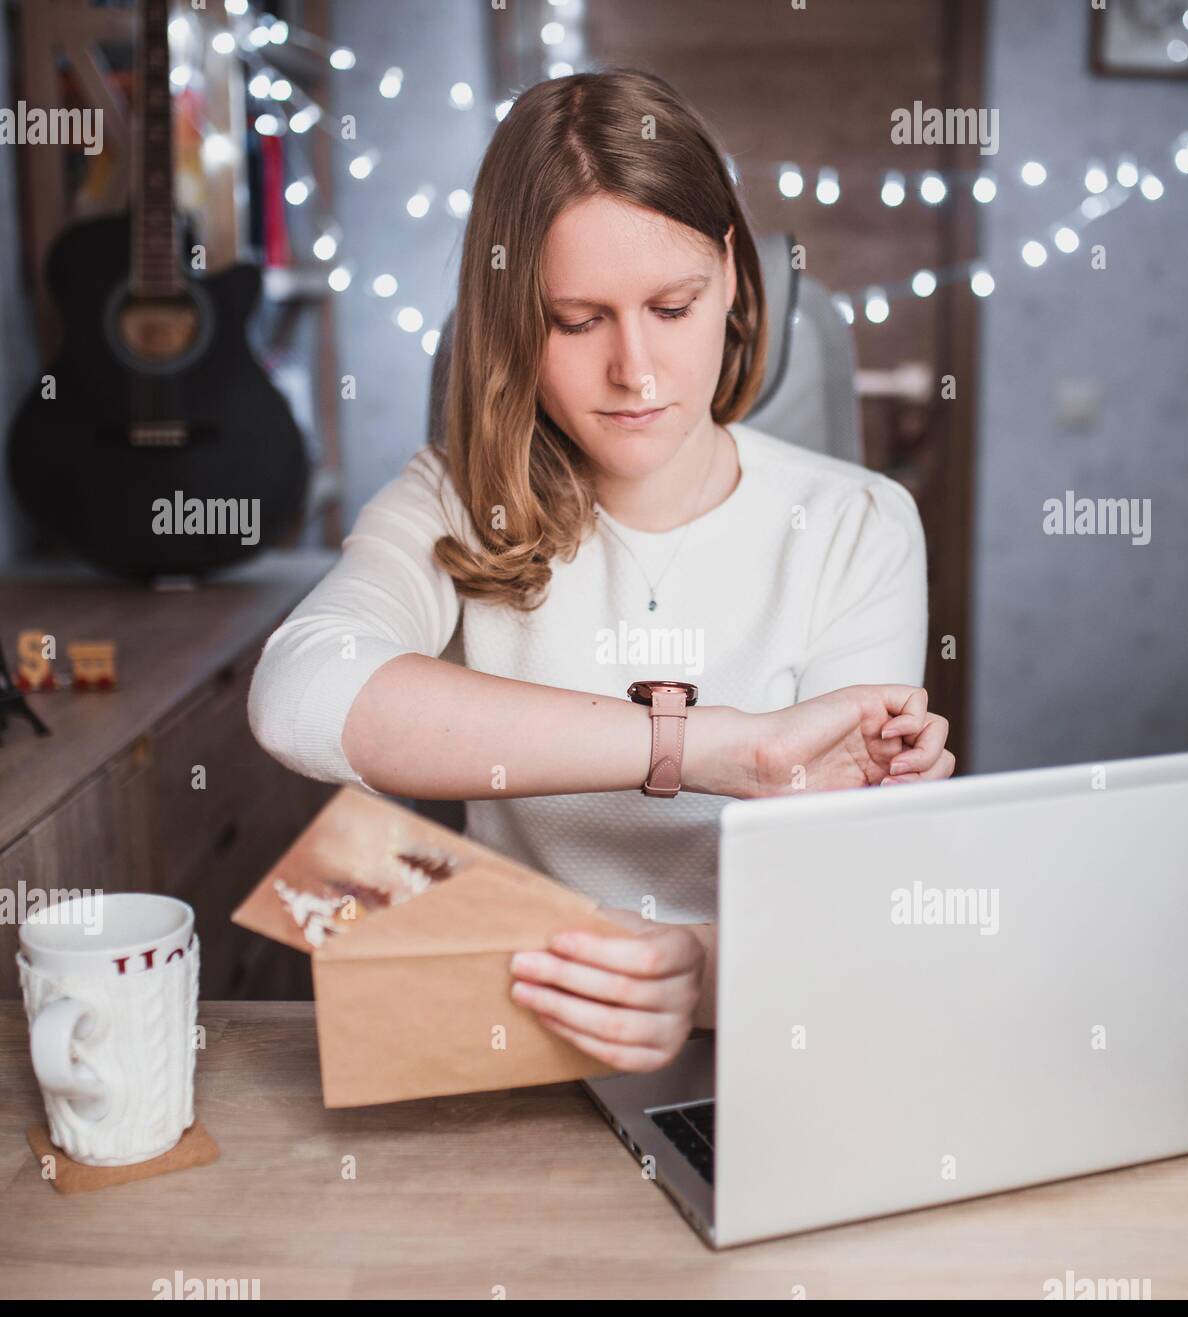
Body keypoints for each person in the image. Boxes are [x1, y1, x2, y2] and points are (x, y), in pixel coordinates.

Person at [248, 67, 955, 1078]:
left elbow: (844, 910)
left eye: (673, 306)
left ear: (730, 276)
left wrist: (697, 966)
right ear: (509, 318)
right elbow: (298, 693)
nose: (636, 372)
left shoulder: (859, 524)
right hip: (505, 1048)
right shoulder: (452, 500)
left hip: (766, 1052)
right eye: (576, 321)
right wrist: (717, 750)